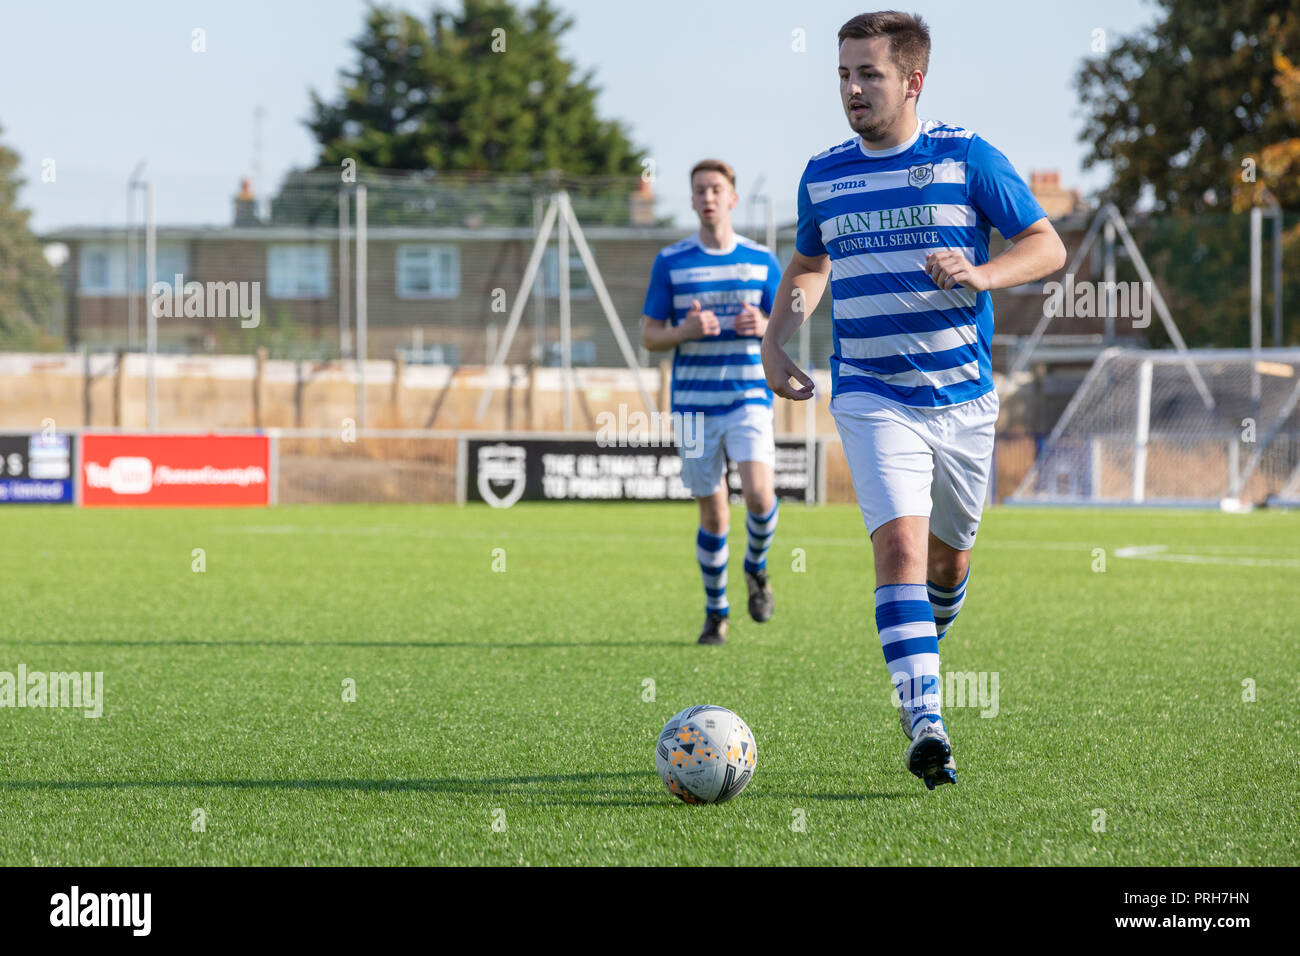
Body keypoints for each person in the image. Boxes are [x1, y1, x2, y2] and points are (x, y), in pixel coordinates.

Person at [761, 11, 1066, 787]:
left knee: (950, 559)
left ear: (913, 81)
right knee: (897, 547)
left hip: (963, 399)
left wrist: (980, 273)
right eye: (843, 75)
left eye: (869, 74)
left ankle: (920, 653)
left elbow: (1046, 245)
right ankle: (926, 718)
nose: (853, 89)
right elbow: (806, 265)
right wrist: (775, 339)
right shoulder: (824, 173)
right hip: (869, 392)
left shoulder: (968, 158)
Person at [641, 159, 783, 646]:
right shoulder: (671, 261)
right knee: (715, 514)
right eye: (699, 190)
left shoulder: (762, 260)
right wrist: (684, 330)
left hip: (748, 397)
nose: (708, 198)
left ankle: (756, 568)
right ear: (692, 198)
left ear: (732, 198)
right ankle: (715, 612)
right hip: (693, 406)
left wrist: (764, 326)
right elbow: (649, 336)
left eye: (716, 189)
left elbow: (789, 322)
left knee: (761, 496)